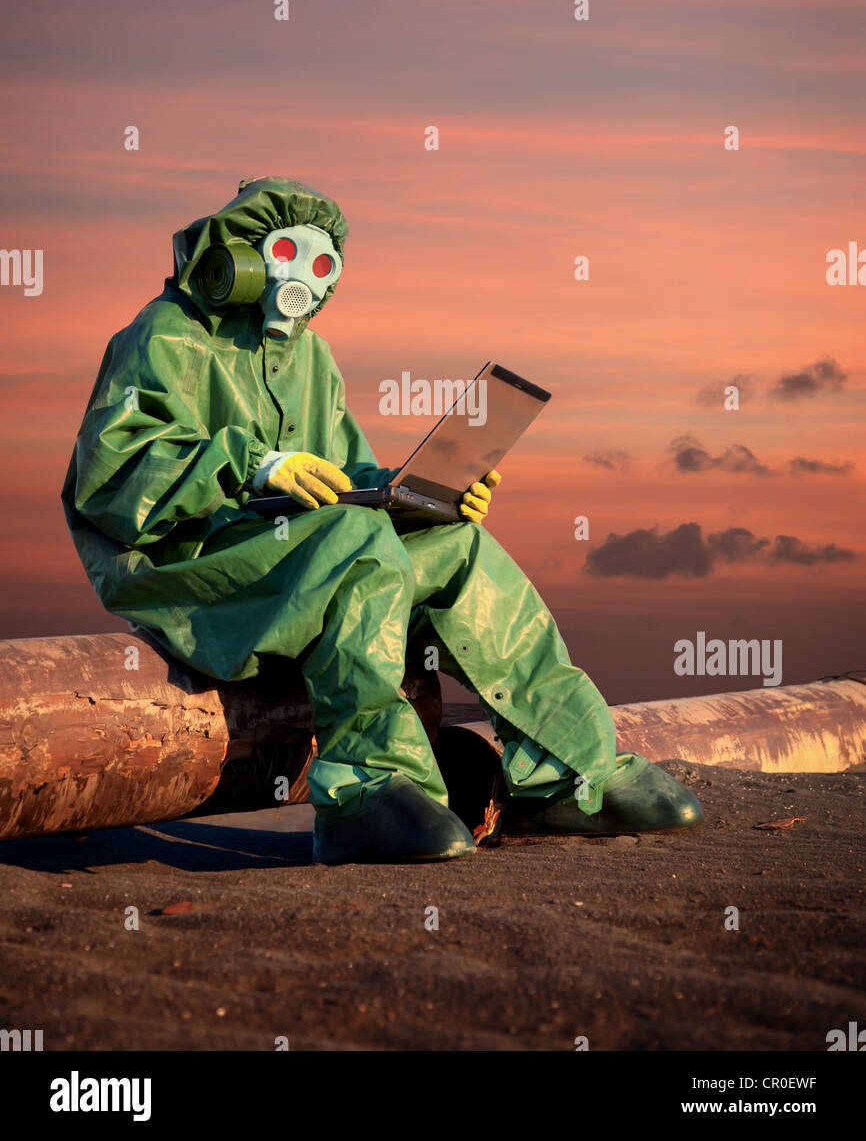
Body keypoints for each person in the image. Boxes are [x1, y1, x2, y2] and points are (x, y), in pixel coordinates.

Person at [62, 177, 701, 864]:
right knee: (355, 542)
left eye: (320, 264)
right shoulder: (163, 335)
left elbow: (346, 475)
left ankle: (567, 777)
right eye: (284, 250)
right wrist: (251, 465)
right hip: (186, 565)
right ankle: (365, 795)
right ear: (236, 257)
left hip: (304, 552)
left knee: (458, 547)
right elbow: (112, 472)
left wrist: (420, 494)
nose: (301, 276)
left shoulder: (312, 357)